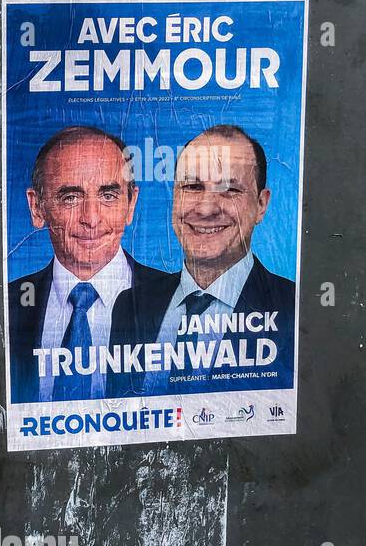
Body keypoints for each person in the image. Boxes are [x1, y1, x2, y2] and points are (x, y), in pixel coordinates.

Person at [125, 125, 296, 396]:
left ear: (261, 205)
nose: (206, 208)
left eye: (229, 189)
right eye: (192, 186)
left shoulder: (294, 309)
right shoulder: (129, 305)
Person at [7, 126, 170, 404]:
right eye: (71, 197)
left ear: (131, 205)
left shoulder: (178, 300)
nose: (91, 218)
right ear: (37, 208)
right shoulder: (8, 303)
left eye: (108, 196)